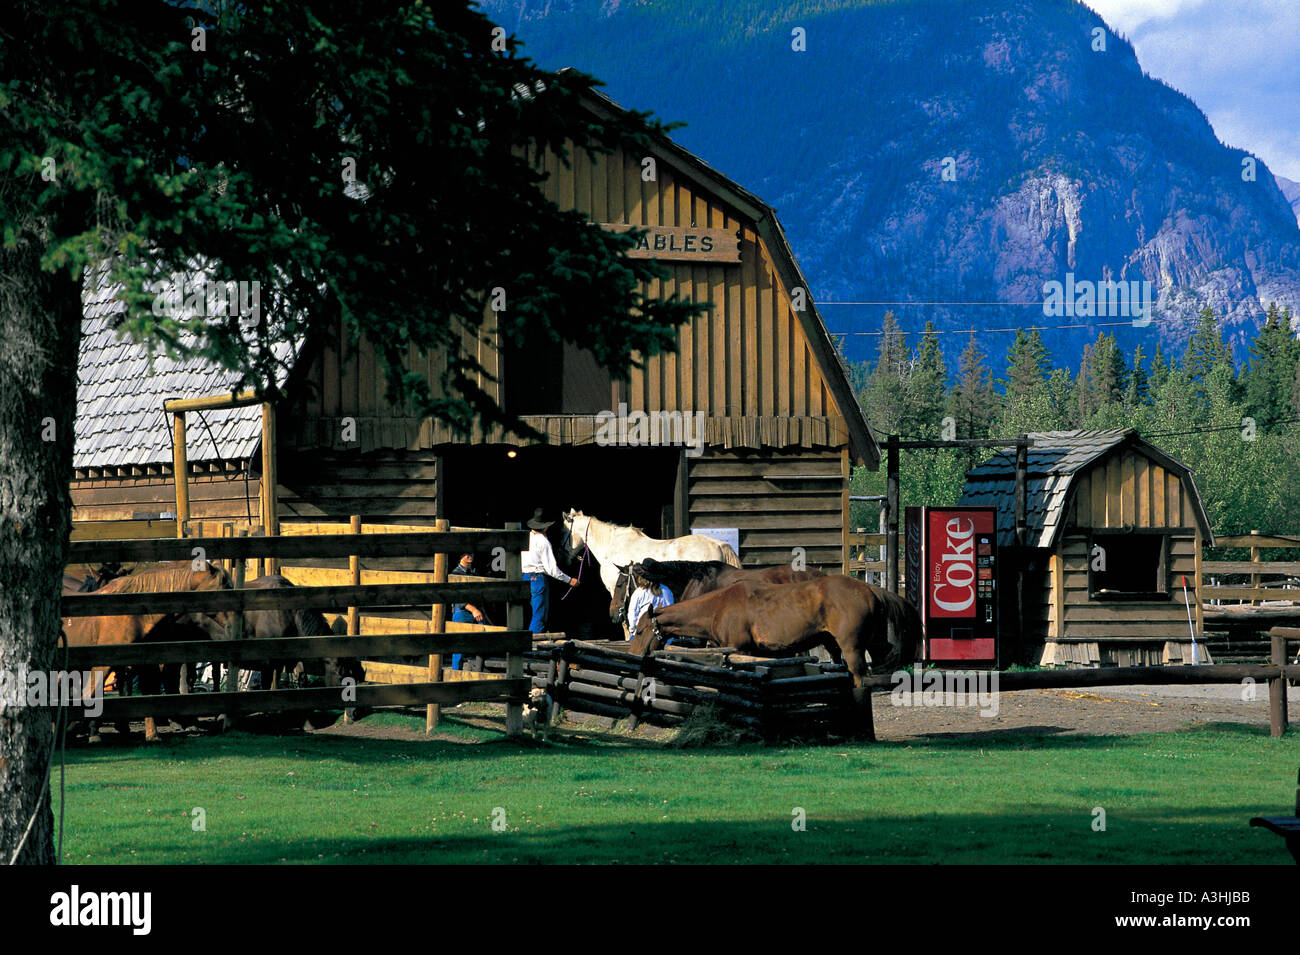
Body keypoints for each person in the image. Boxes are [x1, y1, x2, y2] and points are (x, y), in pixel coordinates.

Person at [522, 508, 577, 633]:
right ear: (545, 527)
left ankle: (527, 641)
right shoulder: (543, 541)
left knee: (528, 612)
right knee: (539, 615)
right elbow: (551, 569)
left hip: (524, 577)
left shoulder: (525, 537)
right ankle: (534, 644)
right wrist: (569, 580)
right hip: (537, 579)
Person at [448, 552, 484, 670]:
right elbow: (458, 598)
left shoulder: (475, 572)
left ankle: (478, 672)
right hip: (462, 612)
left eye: (471, 555)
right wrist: (473, 609)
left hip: (476, 610)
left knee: (482, 642)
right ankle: (455, 673)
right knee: (459, 645)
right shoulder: (455, 574)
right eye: (467, 555)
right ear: (461, 557)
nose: (470, 558)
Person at [625, 567, 674, 641]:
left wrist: (634, 631)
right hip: (664, 633)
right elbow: (671, 611)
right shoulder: (666, 590)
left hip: (643, 633)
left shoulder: (639, 592)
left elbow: (632, 614)